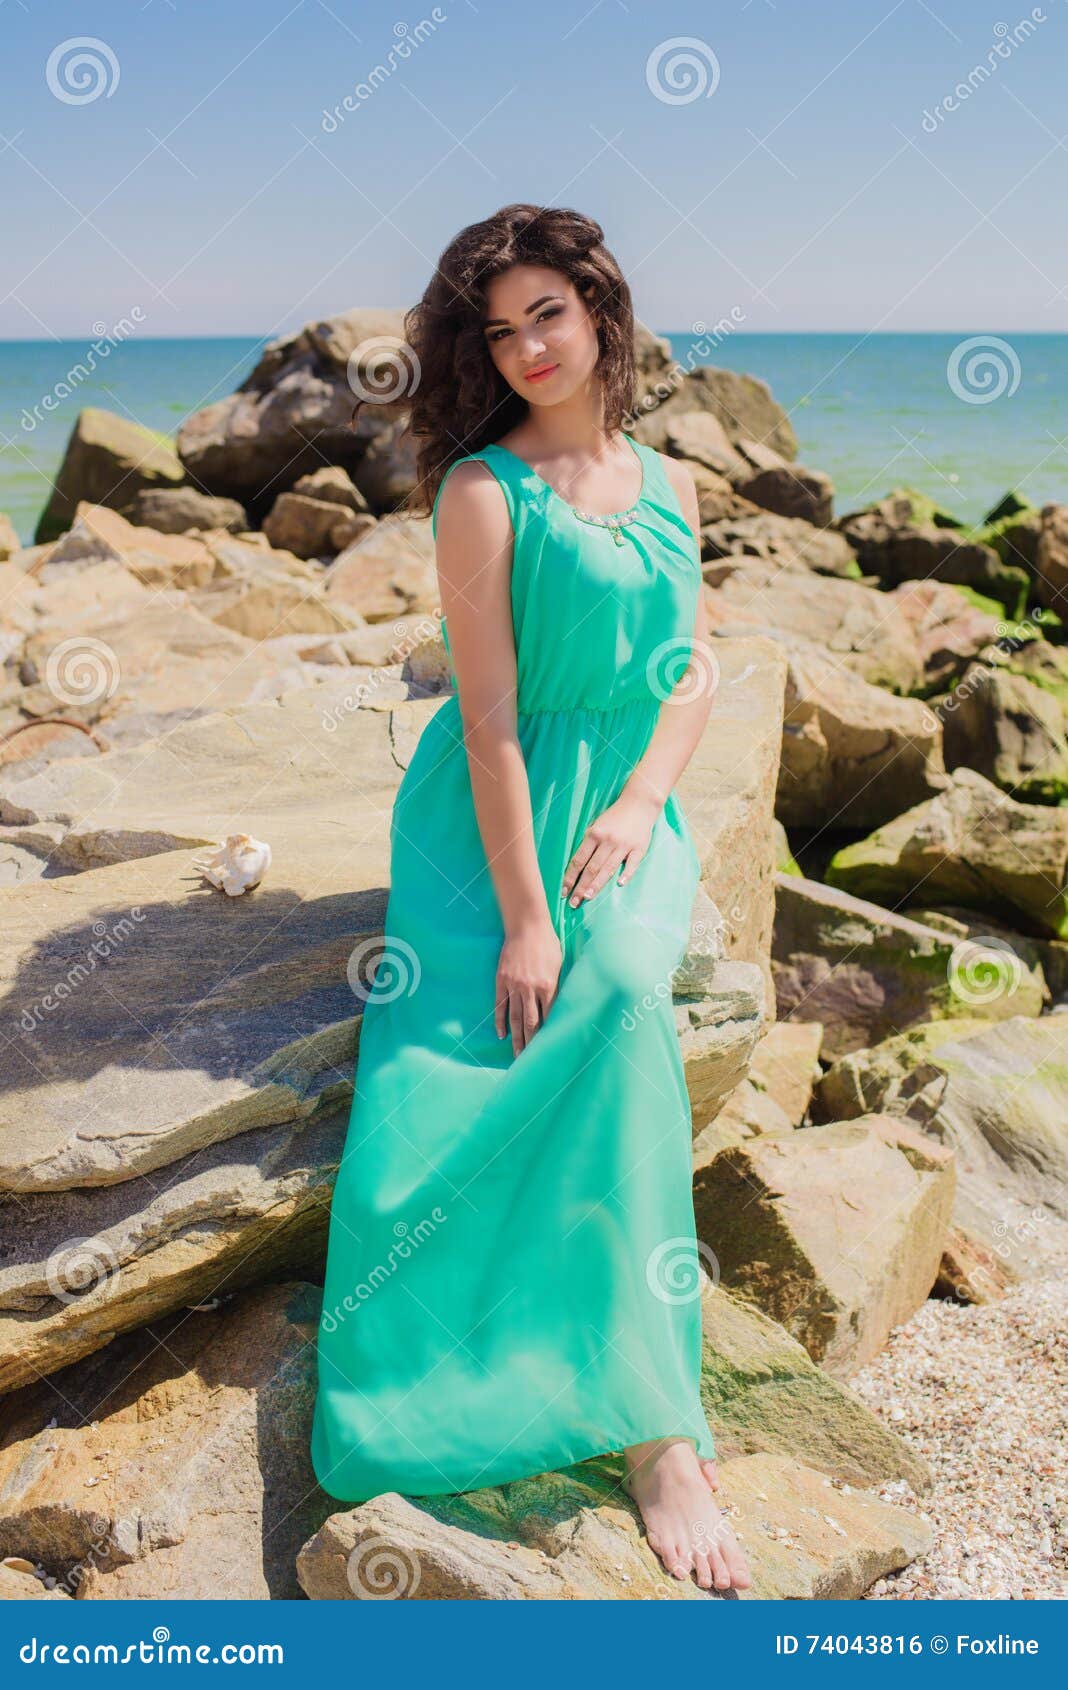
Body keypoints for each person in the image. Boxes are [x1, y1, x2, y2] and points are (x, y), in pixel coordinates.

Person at [310, 203, 751, 1594]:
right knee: (481, 1051)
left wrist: (636, 804)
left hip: (626, 802)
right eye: (499, 332)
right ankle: (468, 1375)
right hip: (490, 821)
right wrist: (522, 914)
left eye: (548, 314)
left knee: (622, 995)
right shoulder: (483, 492)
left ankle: (654, 1426)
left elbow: (694, 672)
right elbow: (489, 719)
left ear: (601, 310)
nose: (528, 349)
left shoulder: (671, 484)